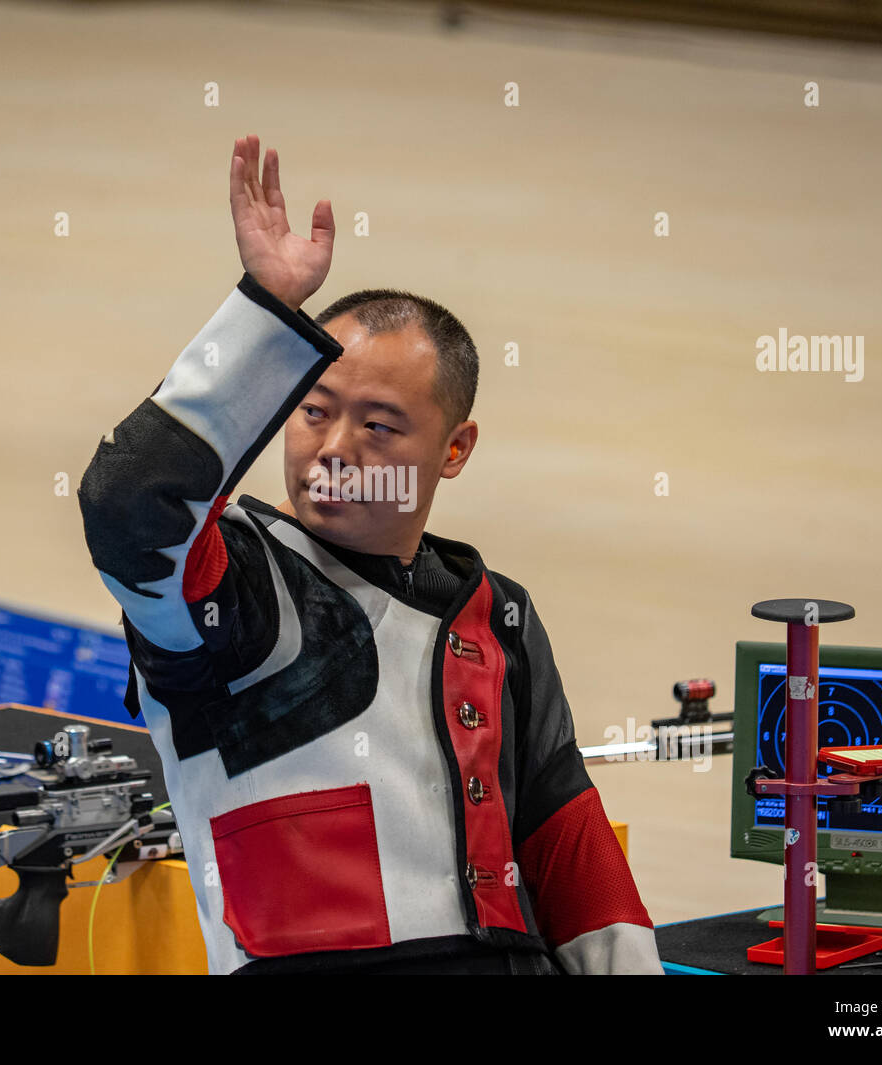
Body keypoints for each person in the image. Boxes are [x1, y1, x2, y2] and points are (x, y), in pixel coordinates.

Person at [77, 134, 662, 975]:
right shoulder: (237, 582)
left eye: (378, 425)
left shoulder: (498, 610)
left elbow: (567, 846)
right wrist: (263, 317)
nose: (333, 448)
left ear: (454, 449)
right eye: (313, 410)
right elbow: (129, 502)